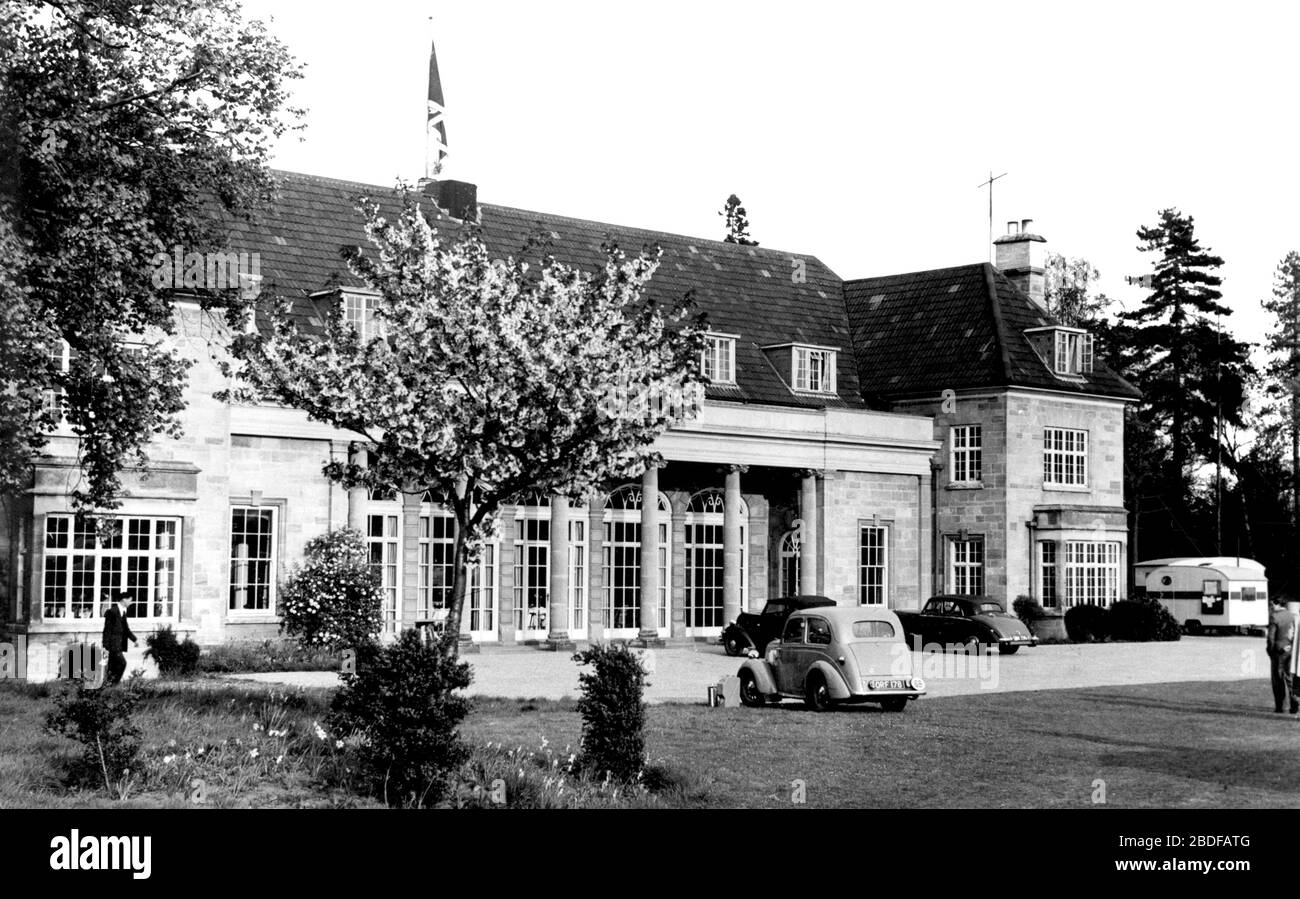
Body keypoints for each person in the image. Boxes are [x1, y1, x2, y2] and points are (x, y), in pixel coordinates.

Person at [1265, 596, 1298, 714]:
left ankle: (1280, 706)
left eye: (1271, 604)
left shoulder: (1274, 616)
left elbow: (1271, 637)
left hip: (1278, 651)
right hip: (1289, 649)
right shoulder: (1290, 615)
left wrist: (1269, 650)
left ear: (1276, 604)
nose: (1271, 607)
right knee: (1290, 678)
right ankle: (1295, 704)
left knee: (1277, 680)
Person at [101, 590, 138, 686]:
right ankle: (114, 684)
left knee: (112, 667)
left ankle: (108, 686)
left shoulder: (123, 613)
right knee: (122, 663)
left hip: (119, 644)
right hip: (113, 645)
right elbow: (107, 630)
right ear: (124, 600)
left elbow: (126, 629)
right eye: (130, 600)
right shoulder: (112, 612)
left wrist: (134, 639)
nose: (131, 602)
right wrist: (105, 646)